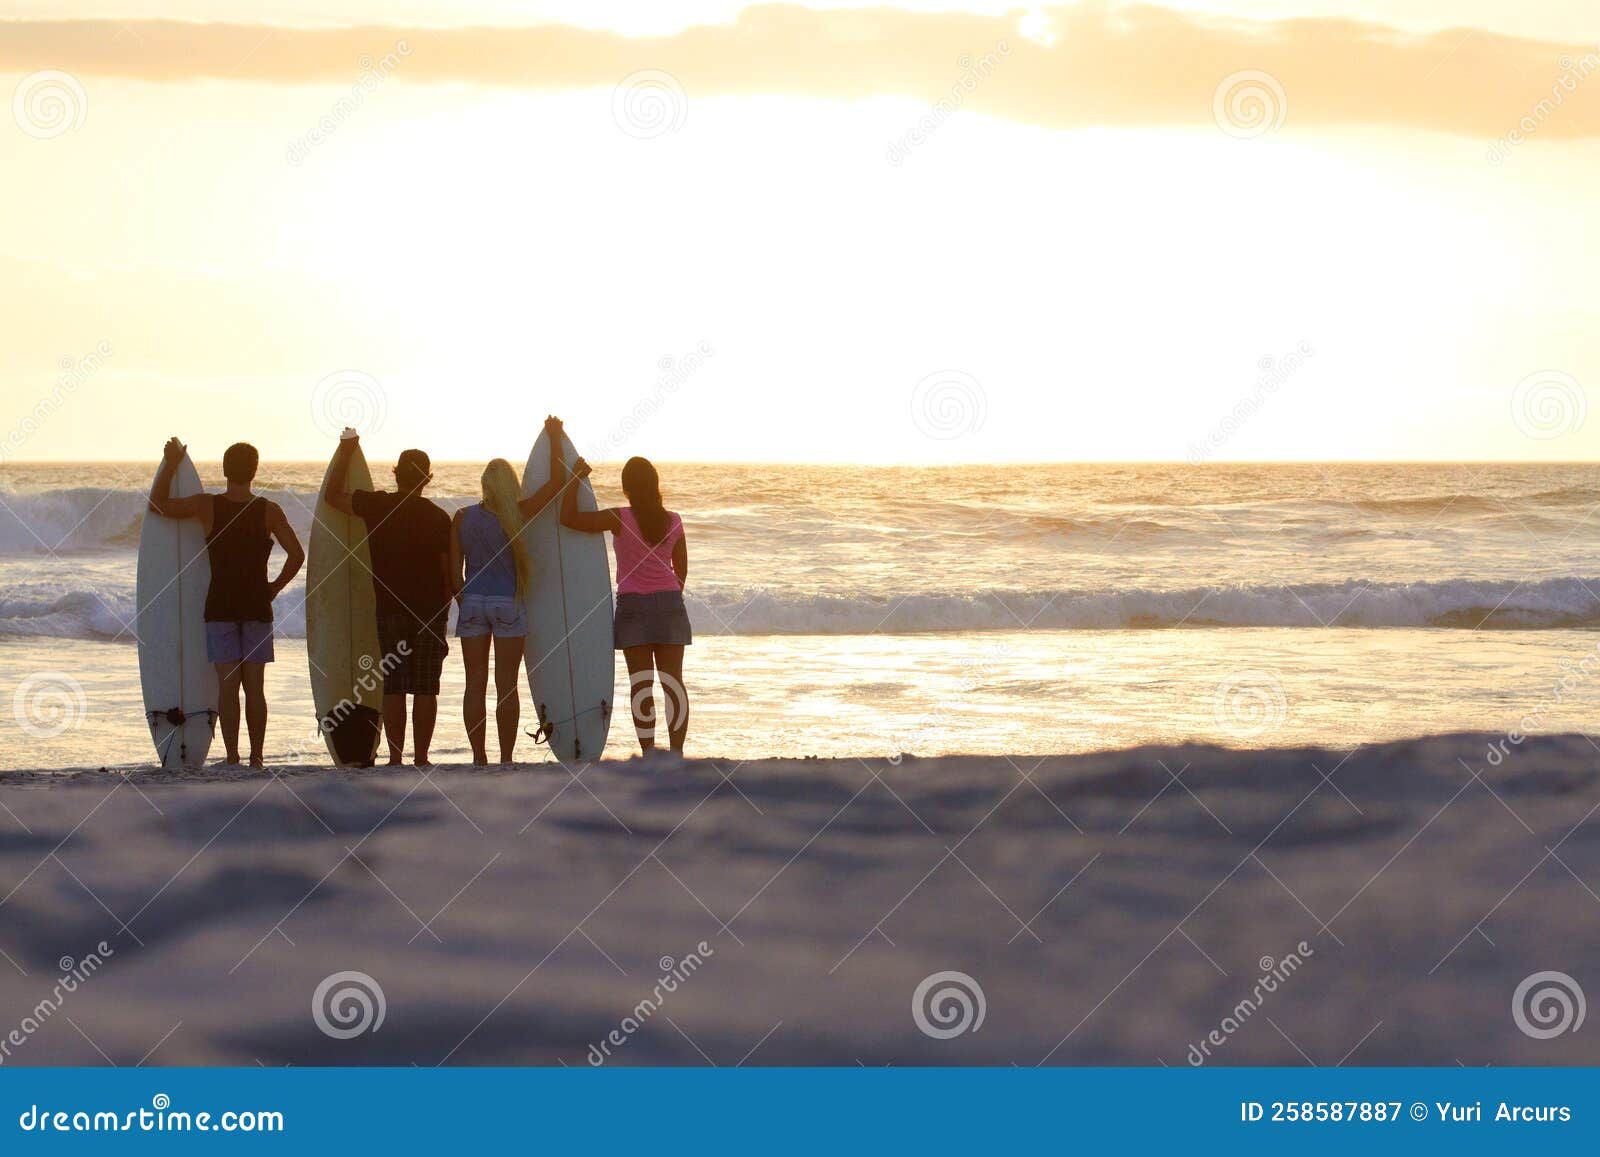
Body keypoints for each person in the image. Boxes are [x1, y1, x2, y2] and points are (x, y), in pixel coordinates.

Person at [147, 437, 304, 767]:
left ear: (224, 469)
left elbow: (157, 505)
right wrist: (274, 587)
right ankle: (257, 758)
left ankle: (233, 758)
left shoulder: (208, 507)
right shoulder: (268, 510)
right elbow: (297, 554)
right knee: (255, 690)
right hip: (257, 608)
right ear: (254, 471)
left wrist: (171, 462)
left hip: (219, 608)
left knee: (228, 688)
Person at [321, 433, 453, 766]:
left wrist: (345, 453)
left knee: (393, 685)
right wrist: (447, 610)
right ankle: (420, 758)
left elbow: (331, 497)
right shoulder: (439, 517)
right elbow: (448, 571)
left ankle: (396, 758)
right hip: (429, 612)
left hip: (389, 609)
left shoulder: (377, 504)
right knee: (426, 687)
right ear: (427, 478)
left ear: (395, 474)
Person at [449, 416, 572, 765]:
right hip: (507, 604)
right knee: (507, 686)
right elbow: (555, 485)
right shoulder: (517, 513)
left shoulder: (461, 517)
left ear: (485, 484)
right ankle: (505, 758)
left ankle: (478, 757)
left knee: (475, 684)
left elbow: (454, 575)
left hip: (473, 602)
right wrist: (554, 438)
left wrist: (466, 598)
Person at [561, 451, 691, 754]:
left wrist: (576, 479)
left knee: (641, 686)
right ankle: (676, 754)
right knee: (674, 684)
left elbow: (568, 519)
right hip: (670, 604)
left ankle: (649, 755)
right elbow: (681, 569)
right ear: (656, 484)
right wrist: (668, 595)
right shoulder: (674, 520)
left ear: (627, 488)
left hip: (633, 607)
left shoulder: (618, 518)